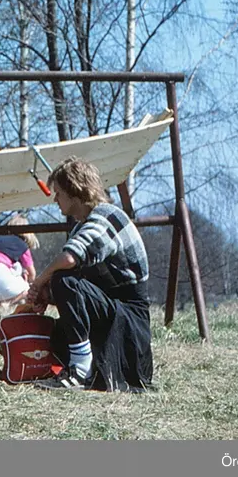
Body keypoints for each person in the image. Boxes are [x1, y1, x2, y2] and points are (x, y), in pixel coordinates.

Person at [27, 156, 153, 392]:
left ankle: (81, 371)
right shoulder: (84, 224)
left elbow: (70, 259)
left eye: (59, 193)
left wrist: (40, 281)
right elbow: (84, 290)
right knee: (51, 329)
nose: (55, 199)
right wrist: (48, 294)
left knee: (63, 279)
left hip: (128, 326)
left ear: (75, 192)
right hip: (113, 313)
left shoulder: (106, 217)